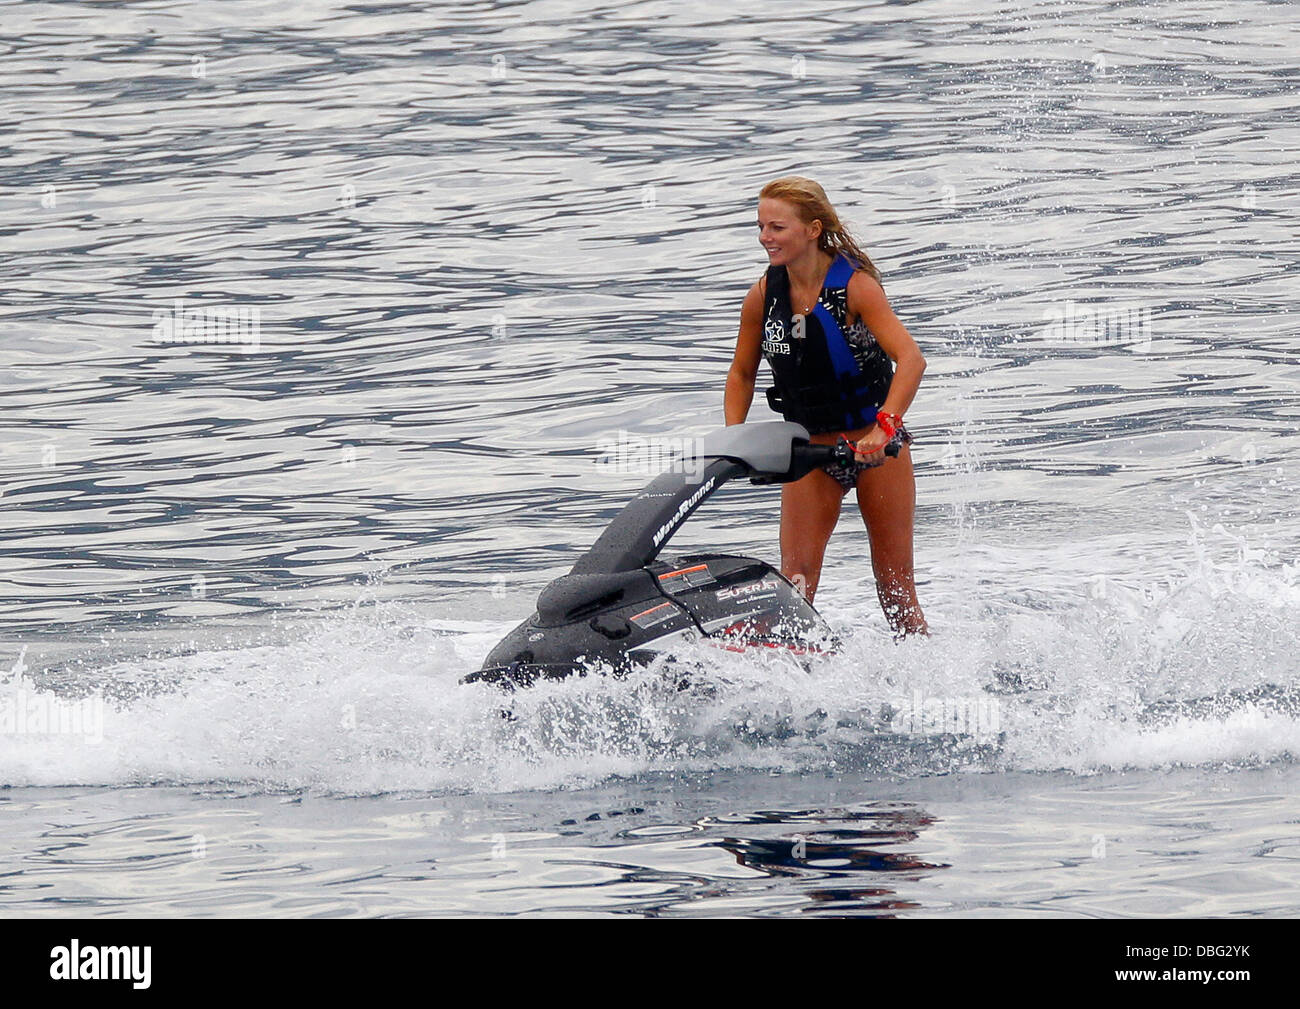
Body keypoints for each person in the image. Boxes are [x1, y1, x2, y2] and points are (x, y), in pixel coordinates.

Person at [724, 176, 928, 636]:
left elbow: (911, 360)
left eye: (776, 227)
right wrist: (732, 435)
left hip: (878, 451)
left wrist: (884, 428)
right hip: (813, 454)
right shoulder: (762, 296)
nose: (765, 238)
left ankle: (930, 680)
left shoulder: (857, 288)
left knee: (895, 588)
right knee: (794, 585)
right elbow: (742, 374)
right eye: (760, 227)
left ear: (813, 229)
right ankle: (789, 684)